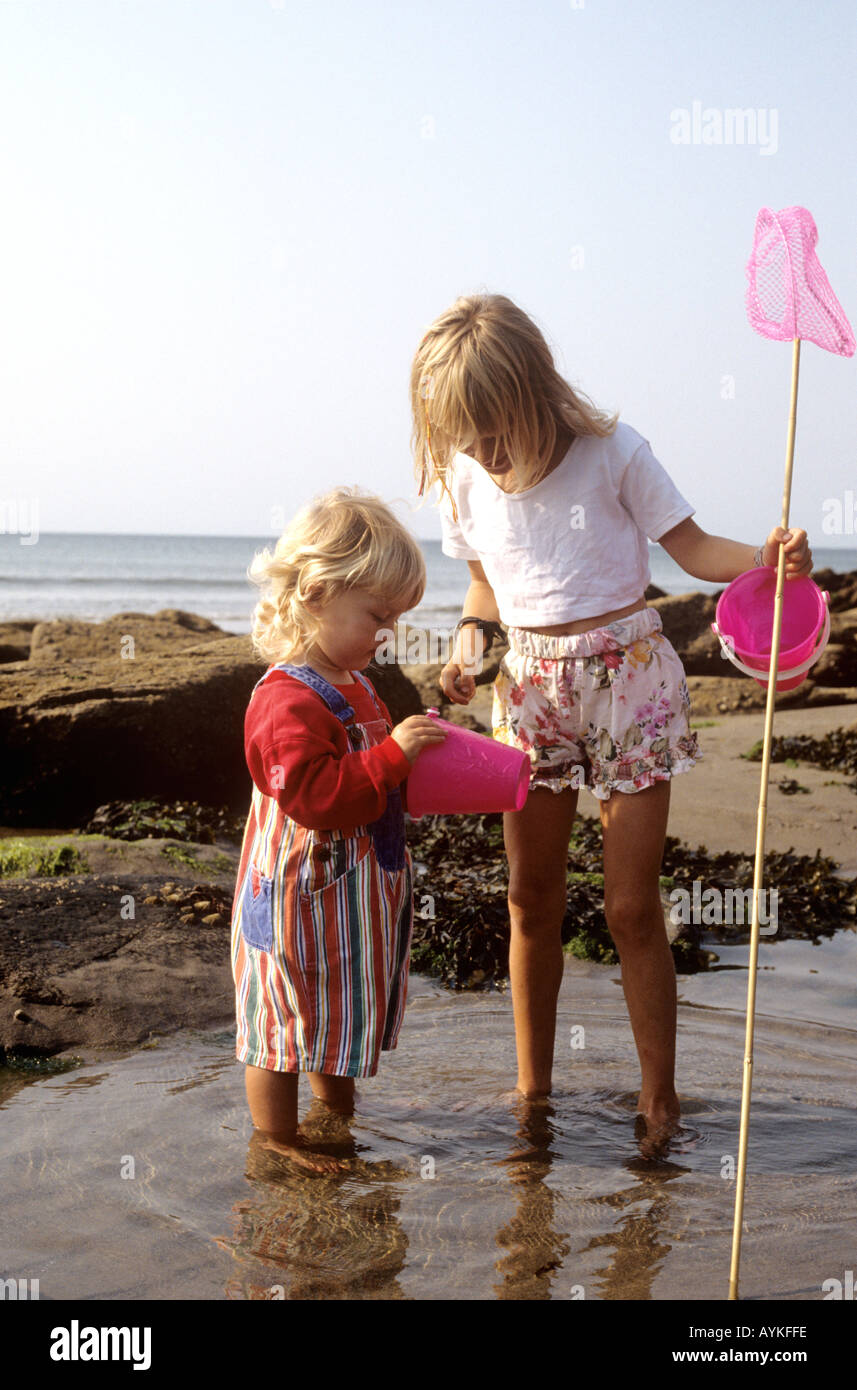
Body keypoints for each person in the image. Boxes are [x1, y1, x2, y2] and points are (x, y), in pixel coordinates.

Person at [410, 293, 812, 1146]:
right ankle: (533, 1094)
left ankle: (658, 1098)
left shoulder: (612, 452)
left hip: (627, 682)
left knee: (630, 908)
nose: (483, 450)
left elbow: (693, 548)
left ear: (531, 390)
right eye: (465, 435)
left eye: (493, 429)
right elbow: (484, 587)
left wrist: (765, 558)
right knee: (529, 897)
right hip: (525, 692)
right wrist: (468, 648)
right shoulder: (464, 475)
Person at [231, 487, 446, 1171]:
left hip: (347, 898)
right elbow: (317, 797)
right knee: (283, 1021)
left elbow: (380, 775)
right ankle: (277, 1139)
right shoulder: (286, 697)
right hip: (301, 894)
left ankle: (336, 1112)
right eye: (378, 617)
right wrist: (391, 757)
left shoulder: (352, 680)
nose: (387, 636)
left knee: (332, 1011)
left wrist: (430, 739)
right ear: (318, 592)